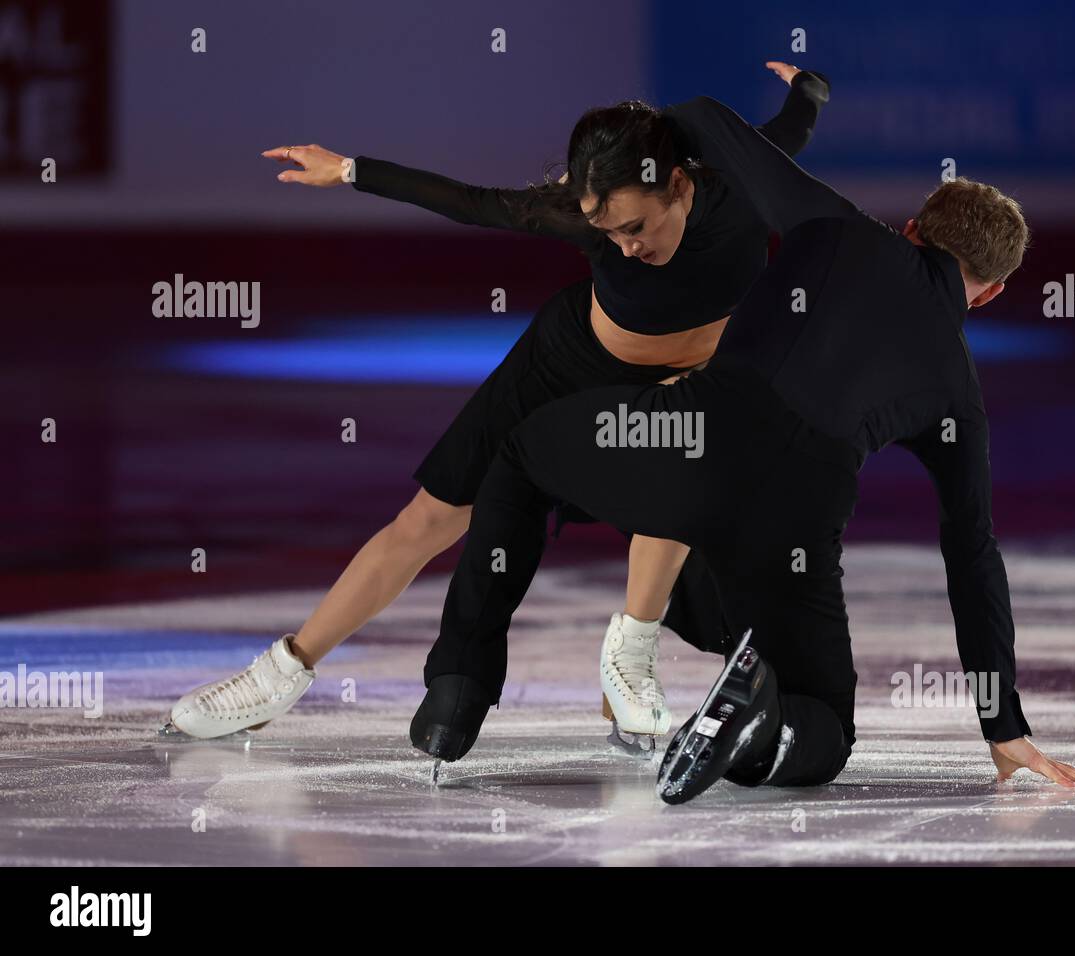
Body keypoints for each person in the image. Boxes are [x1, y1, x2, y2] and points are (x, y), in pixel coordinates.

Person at [405, 98, 1075, 801]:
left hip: (688, 443)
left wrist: (643, 147)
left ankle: (460, 686)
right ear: (990, 295)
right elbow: (973, 556)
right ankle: (769, 725)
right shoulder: (959, 393)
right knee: (826, 720)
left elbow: (707, 118)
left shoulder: (834, 224)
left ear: (915, 228)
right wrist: (1001, 722)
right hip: (794, 523)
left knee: (523, 453)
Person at [164, 64, 836, 749]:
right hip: (566, 363)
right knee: (427, 518)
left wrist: (808, 90)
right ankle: (281, 672)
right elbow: (470, 201)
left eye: (635, 225)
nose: (627, 246)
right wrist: (348, 171)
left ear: (681, 186)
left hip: (687, 381)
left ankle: (629, 662)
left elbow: (787, 132)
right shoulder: (584, 217)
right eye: (608, 233)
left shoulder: (745, 190)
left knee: (683, 454)